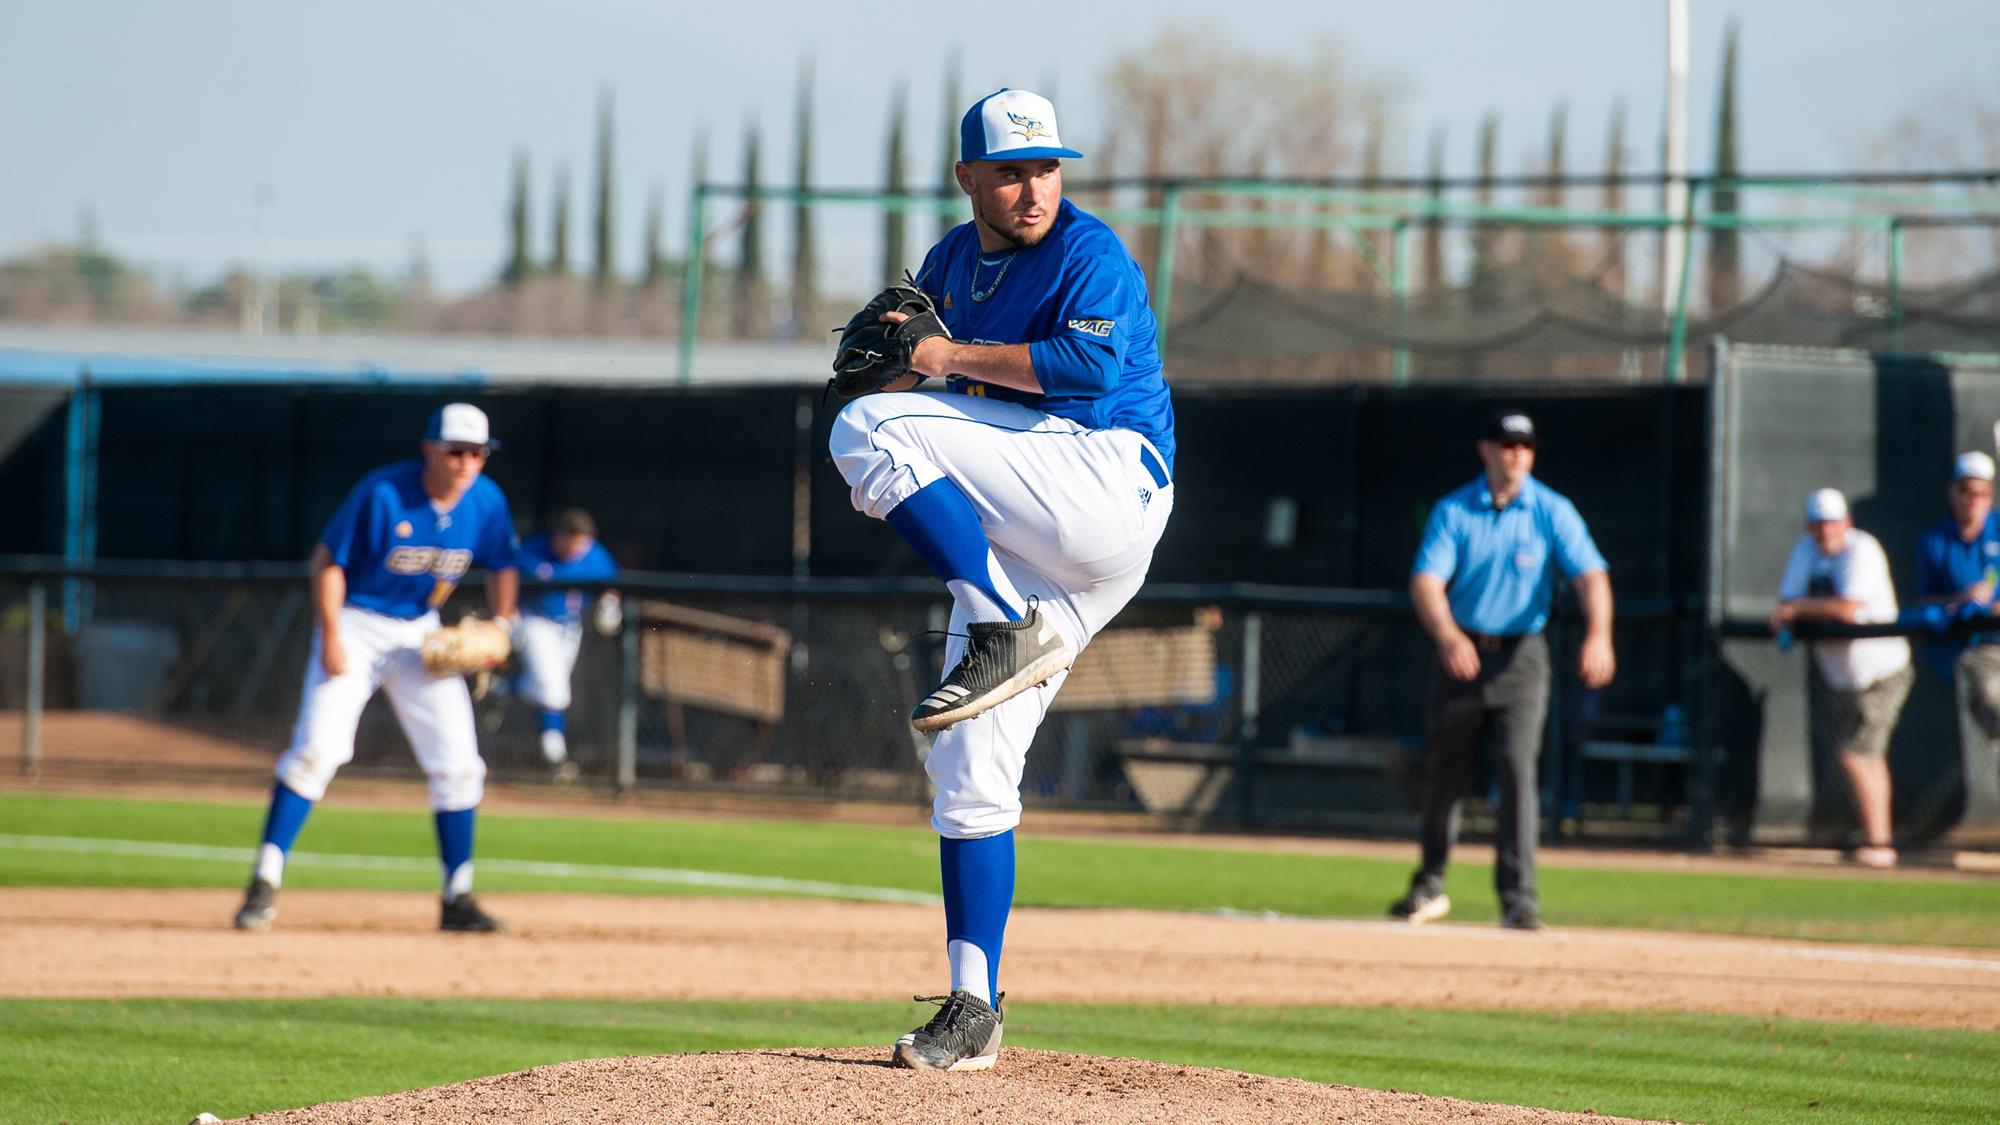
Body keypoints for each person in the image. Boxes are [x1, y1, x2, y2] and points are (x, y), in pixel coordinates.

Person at [826, 87, 1174, 1070]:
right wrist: (896, 369)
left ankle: (993, 617)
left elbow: (1082, 372)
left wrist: (933, 361)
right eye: (1011, 170)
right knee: (965, 767)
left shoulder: (1086, 251)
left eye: (1046, 167)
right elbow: (911, 376)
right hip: (1030, 528)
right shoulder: (946, 261)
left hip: (1104, 480)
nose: (1032, 188)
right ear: (967, 177)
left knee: (865, 435)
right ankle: (972, 1008)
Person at [232, 403, 520, 933]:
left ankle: (457, 898)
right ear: (429, 448)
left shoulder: (486, 501)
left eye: (477, 453)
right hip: (356, 623)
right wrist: (332, 636)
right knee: (316, 751)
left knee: (458, 764)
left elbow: (503, 563)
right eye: (455, 450)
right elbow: (328, 563)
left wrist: (503, 624)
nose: (466, 462)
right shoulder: (384, 492)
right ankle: (263, 882)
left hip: (419, 633)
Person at [1391, 411, 1615, 931]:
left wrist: (1599, 634)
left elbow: (1591, 576)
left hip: (1523, 658)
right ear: (1485, 450)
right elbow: (1426, 581)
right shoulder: (1455, 509)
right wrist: (1448, 635)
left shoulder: (1551, 510)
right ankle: (1429, 884)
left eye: (1525, 446)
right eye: (1506, 444)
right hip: (1463, 653)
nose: (1515, 453)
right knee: (1445, 774)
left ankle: (1519, 899)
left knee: (1517, 772)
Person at [1775, 488, 1912, 868]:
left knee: (1857, 754)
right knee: (1864, 756)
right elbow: (1785, 602)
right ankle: (1877, 841)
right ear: (1810, 526)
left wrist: (1798, 608)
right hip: (1840, 678)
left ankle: (1880, 843)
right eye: (1819, 524)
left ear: (1847, 523)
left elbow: (1848, 609)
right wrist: (1794, 610)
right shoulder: (1805, 551)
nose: (1826, 531)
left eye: (1833, 522)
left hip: (1883, 671)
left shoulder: (1862, 549)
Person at [513, 508, 621, 777]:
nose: (576, 549)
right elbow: (504, 578)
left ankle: (506, 687)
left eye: (581, 544)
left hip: (570, 626)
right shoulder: (533, 552)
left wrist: (610, 603)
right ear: (558, 537)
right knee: (554, 688)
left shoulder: (595, 555)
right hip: (535, 620)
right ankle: (554, 756)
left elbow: (612, 583)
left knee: (549, 685)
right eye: (571, 542)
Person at [1915, 452, 2000, 744]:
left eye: (1981, 491)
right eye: (1966, 490)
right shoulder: (1934, 540)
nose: (1973, 498)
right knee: (1993, 699)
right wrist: (1962, 598)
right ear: (1952, 492)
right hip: (1978, 647)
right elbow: (1925, 602)